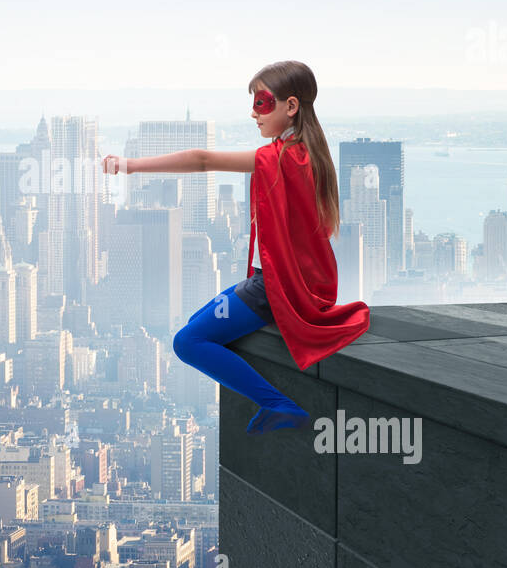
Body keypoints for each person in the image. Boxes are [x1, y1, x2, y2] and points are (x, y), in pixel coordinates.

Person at [102, 60, 370, 434]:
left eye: (262, 102)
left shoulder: (279, 158)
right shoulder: (305, 153)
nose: (253, 113)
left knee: (187, 342)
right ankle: (275, 400)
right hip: (278, 285)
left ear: (290, 106)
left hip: (272, 290)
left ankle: (278, 403)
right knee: (198, 323)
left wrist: (129, 165)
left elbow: (203, 160)